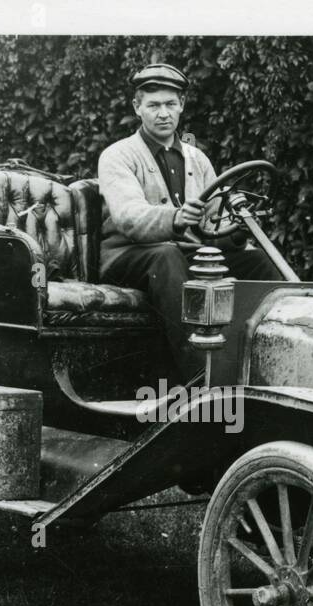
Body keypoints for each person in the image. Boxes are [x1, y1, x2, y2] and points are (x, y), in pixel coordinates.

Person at [97, 62, 282, 379]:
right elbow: (129, 218)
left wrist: (235, 233)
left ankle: (271, 362)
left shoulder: (198, 159)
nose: (163, 113)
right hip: (129, 256)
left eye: (170, 104)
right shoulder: (118, 155)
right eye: (153, 105)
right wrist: (176, 217)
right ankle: (200, 375)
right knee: (167, 256)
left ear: (181, 106)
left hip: (183, 256)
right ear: (137, 107)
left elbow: (212, 228)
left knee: (259, 262)